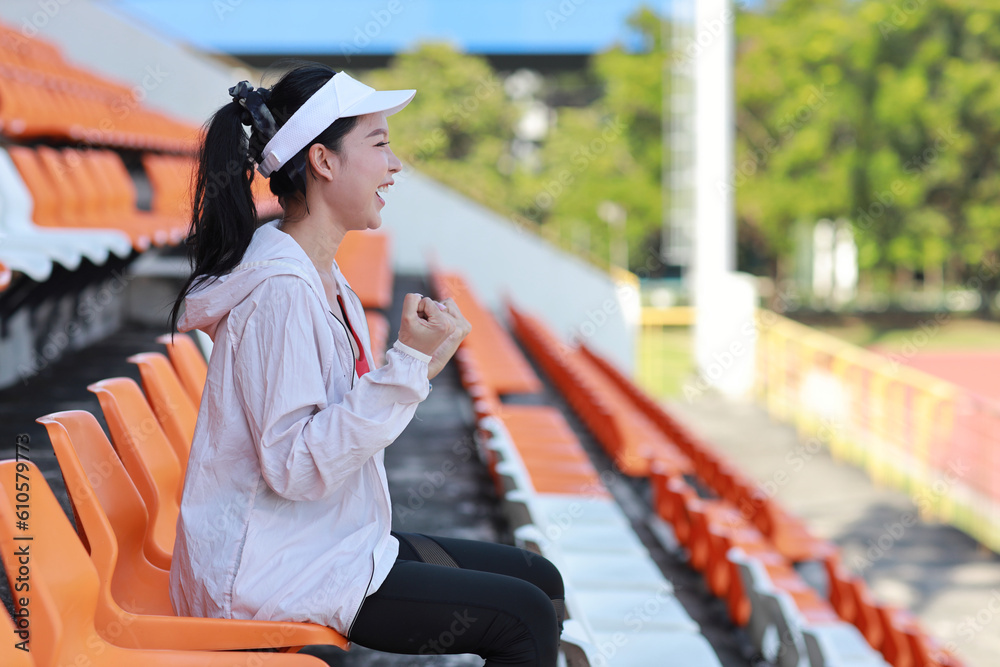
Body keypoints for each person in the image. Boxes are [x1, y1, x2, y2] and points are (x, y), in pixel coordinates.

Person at [167, 62, 565, 666]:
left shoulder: (319, 275)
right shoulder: (281, 292)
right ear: (324, 162)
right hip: (273, 570)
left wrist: (419, 366)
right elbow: (296, 466)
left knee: (538, 579)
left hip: (325, 543)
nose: (395, 165)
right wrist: (405, 364)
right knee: (525, 618)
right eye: (379, 144)